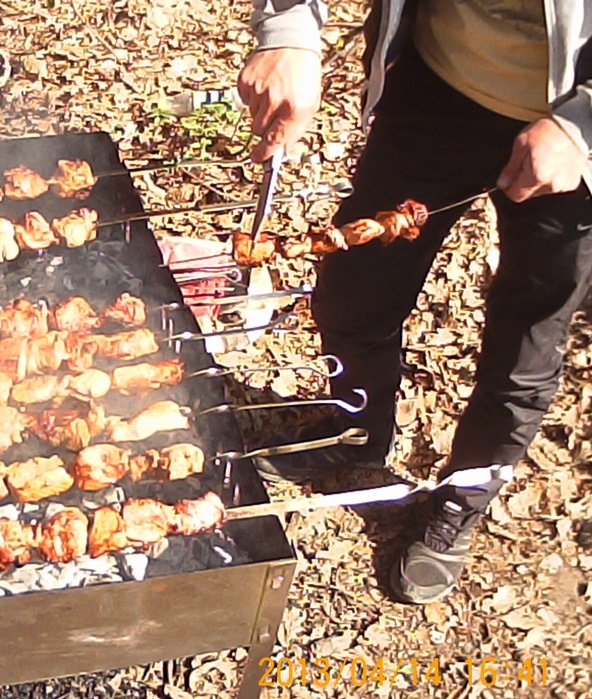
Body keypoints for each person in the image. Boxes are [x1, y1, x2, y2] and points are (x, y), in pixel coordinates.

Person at [237, 0, 592, 604]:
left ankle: (463, 498)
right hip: (437, 87)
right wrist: (290, 28)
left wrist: (583, 123)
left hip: (573, 141)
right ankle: (356, 428)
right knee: (354, 289)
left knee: (525, 346)